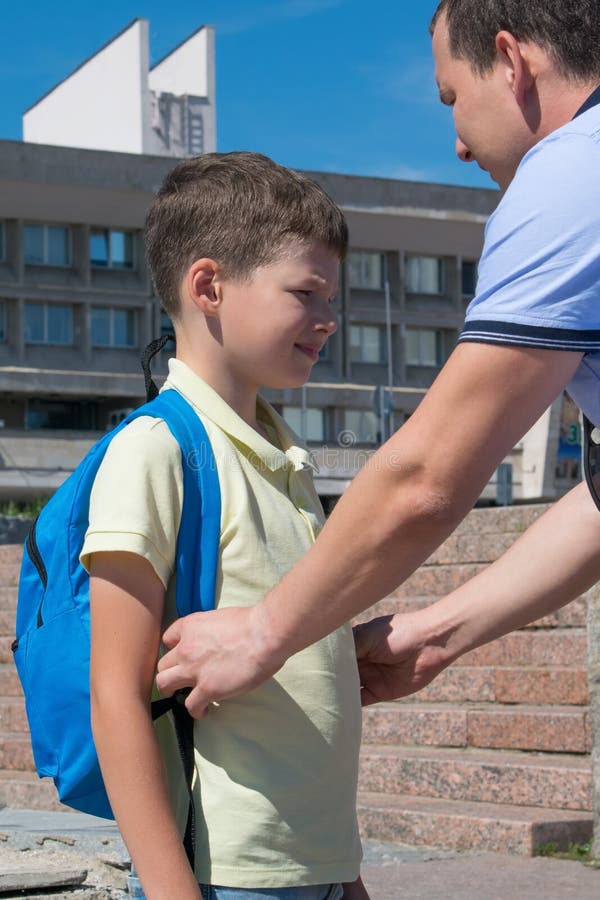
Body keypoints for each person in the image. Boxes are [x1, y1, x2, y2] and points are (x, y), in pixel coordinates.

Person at [154, 0, 600, 715]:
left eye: (453, 98)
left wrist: (261, 633)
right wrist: (435, 634)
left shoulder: (571, 177)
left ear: (513, 63)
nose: (457, 144)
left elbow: (427, 477)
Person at [83, 151, 368, 900]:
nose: (328, 319)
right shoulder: (155, 450)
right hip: (226, 876)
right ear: (209, 286)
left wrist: (348, 875)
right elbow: (116, 696)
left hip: (317, 868)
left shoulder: (289, 460)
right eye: (306, 292)